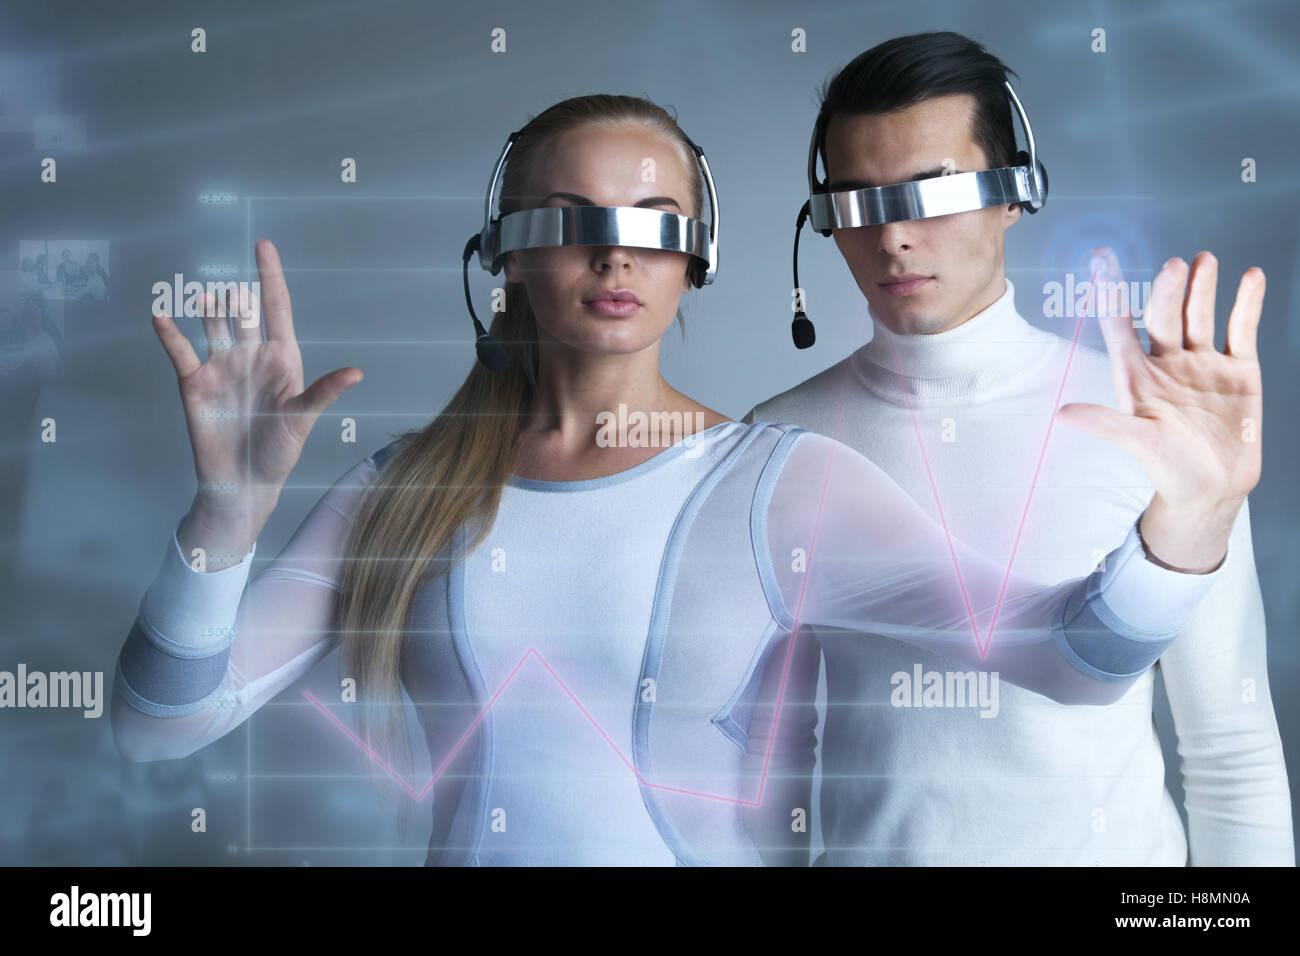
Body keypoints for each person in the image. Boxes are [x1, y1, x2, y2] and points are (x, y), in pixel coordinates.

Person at [110, 94, 1261, 867]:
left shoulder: (781, 484)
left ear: (696, 255)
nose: (615, 255)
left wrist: (1189, 523)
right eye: (573, 222)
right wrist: (224, 517)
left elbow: (1068, 658)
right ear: (504, 253)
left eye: (653, 224)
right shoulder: (405, 489)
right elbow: (159, 727)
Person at [746, 31, 1291, 866]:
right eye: (859, 200)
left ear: (1014, 193)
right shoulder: (776, 444)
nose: (894, 236)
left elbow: (1231, 752)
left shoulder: (1149, 422)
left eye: (934, 193)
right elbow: (765, 778)